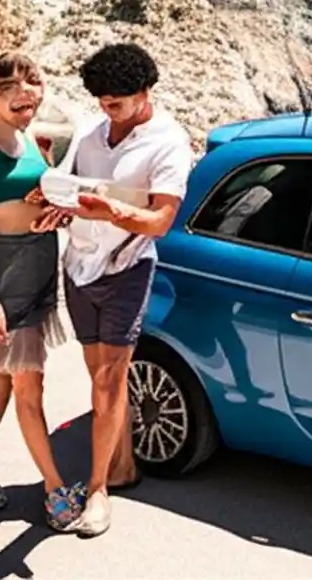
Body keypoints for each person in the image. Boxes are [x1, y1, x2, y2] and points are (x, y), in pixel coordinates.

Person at [60, 42, 194, 537]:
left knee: (110, 384)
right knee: (98, 378)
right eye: (101, 102)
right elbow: (69, 187)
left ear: (145, 93)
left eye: (116, 103)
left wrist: (112, 212)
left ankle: (97, 492)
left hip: (126, 271)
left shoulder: (169, 143)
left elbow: (161, 220)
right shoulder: (92, 134)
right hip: (77, 268)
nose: (107, 112)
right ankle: (123, 466)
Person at [0, 50, 84, 532]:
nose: (28, 104)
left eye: (34, 92)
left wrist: (57, 208)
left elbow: (43, 195)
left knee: (1, 380)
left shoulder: (32, 139)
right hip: (5, 280)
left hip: (39, 273)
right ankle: (55, 489)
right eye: (17, 97)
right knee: (30, 384)